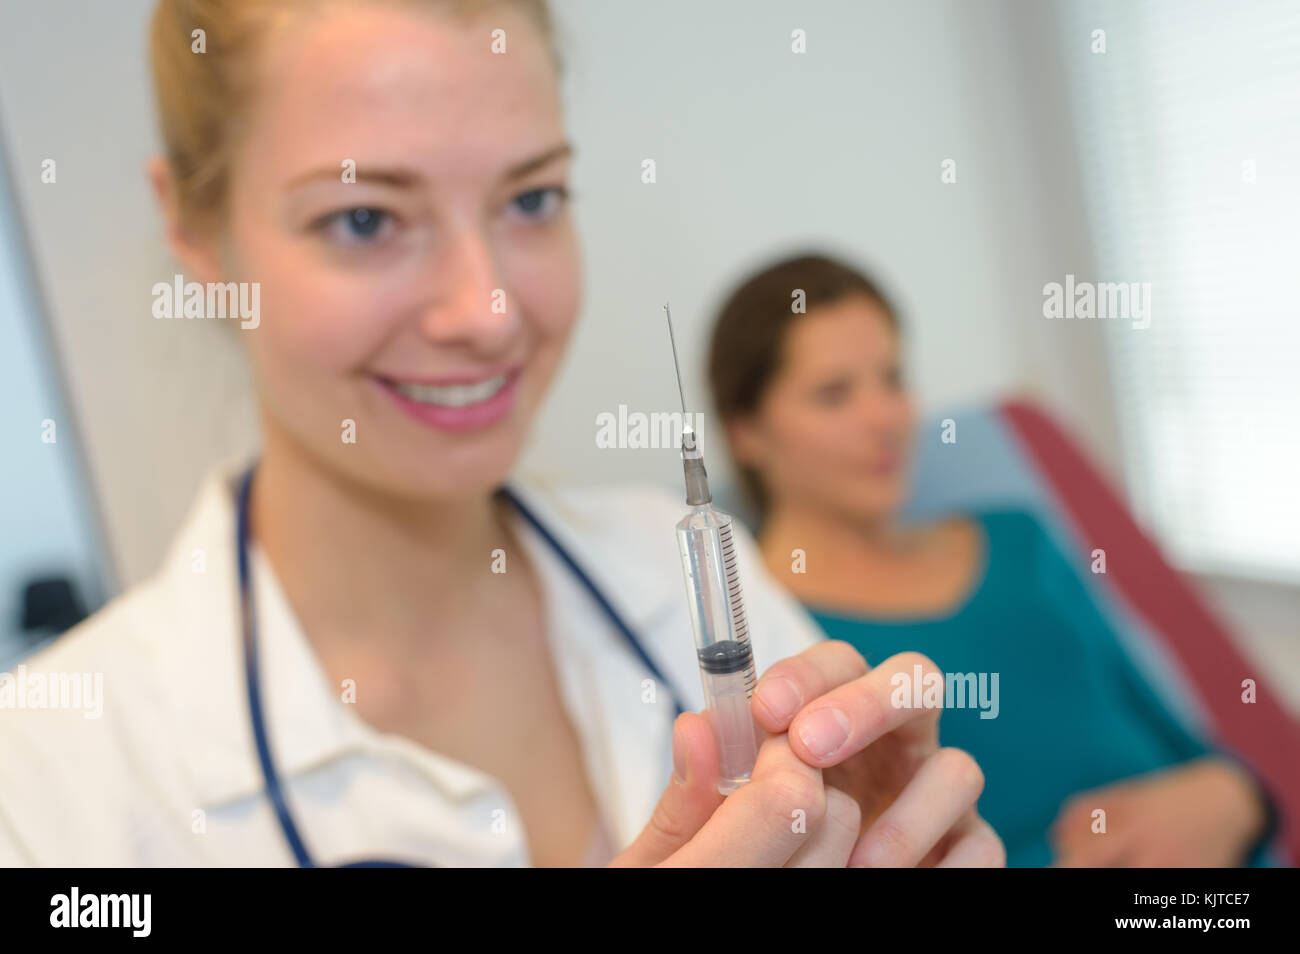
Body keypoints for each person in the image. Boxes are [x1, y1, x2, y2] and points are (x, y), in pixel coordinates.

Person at [0, 1, 1004, 868]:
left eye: (531, 199)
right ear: (194, 230)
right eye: (364, 219)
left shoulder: (677, 563)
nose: (486, 310)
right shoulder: (50, 784)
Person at [705, 251, 1279, 867]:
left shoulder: (1020, 541)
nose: (888, 417)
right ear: (747, 433)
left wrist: (1239, 798)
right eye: (834, 393)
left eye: (893, 379)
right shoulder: (777, 651)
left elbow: (1191, 745)